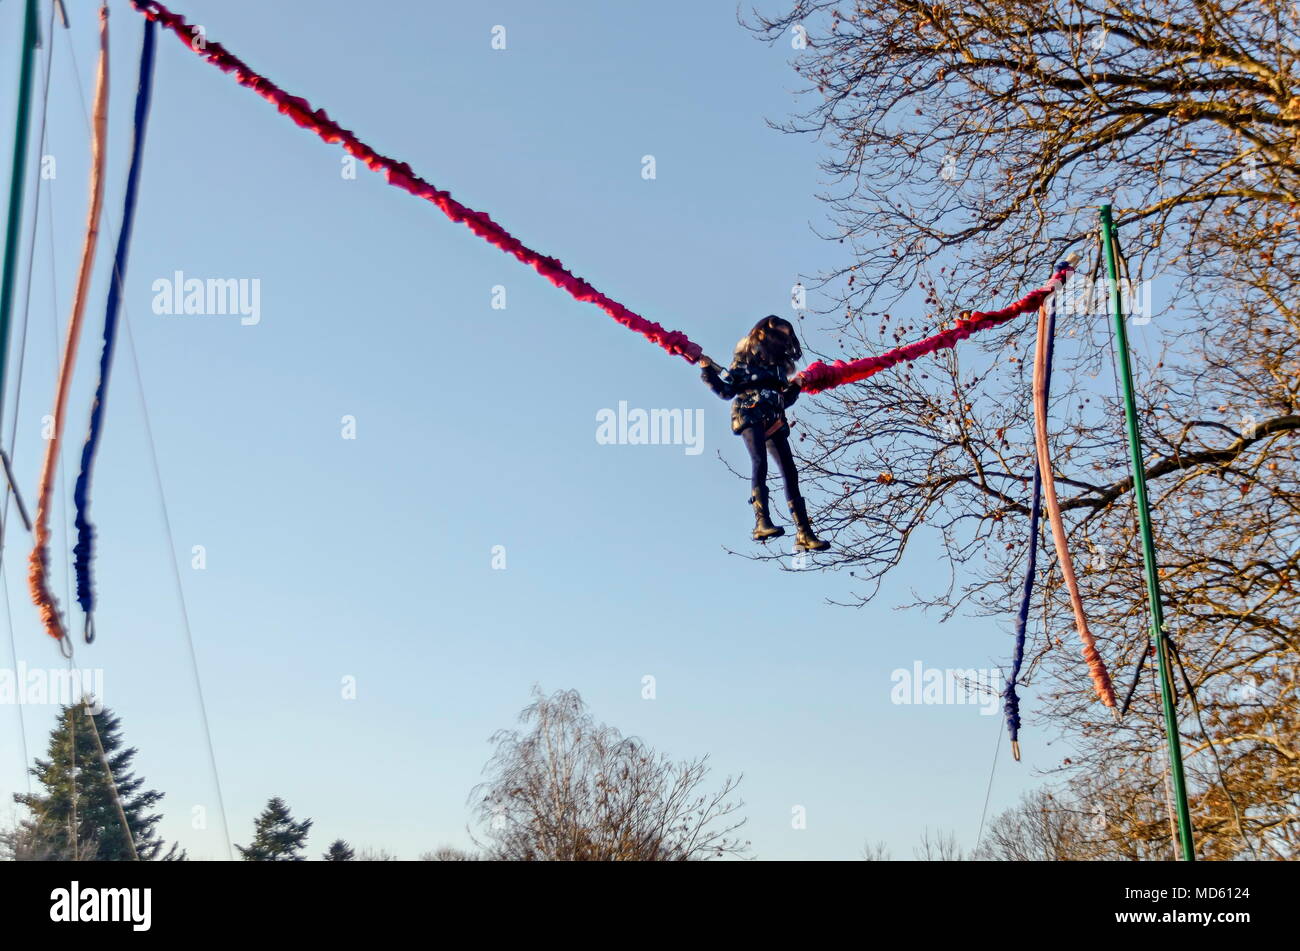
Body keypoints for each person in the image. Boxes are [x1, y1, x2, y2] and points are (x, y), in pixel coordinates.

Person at [699, 315, 830, 551]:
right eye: (779, 336)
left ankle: (804, 532)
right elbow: (727, 391)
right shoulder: (744, 363)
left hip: (774, 418)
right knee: (760, 461)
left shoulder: (779, 369)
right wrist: (708, 371)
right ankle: (762, 521)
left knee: (790, 471)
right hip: (750, 412)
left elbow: (783, 400)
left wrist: (796, 386)